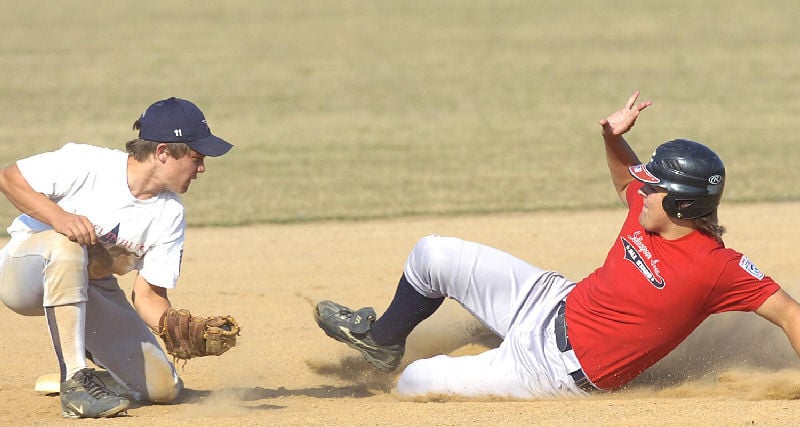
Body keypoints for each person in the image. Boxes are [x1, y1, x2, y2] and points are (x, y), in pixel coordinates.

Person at [314, 91, 800, 398]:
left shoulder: (720, 268)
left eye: (654, 185)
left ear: (683, 206)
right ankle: (383, 342)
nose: (642, 187)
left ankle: (452, 361)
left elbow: (790, 315)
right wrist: (611, 136)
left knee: (417, 383)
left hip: (552, 371)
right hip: (550, 300)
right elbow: (622, 175)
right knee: (431, 253)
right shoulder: (648, 211)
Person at [0, 97, 233, 417]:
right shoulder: (89, 164)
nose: (202, 167)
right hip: (24, 272)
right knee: (66, 245)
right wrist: (59, 217)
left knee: (163, 389)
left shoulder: (170, 214)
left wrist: (177, 328)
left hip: (91, 288)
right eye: (196, 157)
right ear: (163, 152)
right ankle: (75, 382)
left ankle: (92, 369)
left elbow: (148, 296)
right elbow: (10, 178)